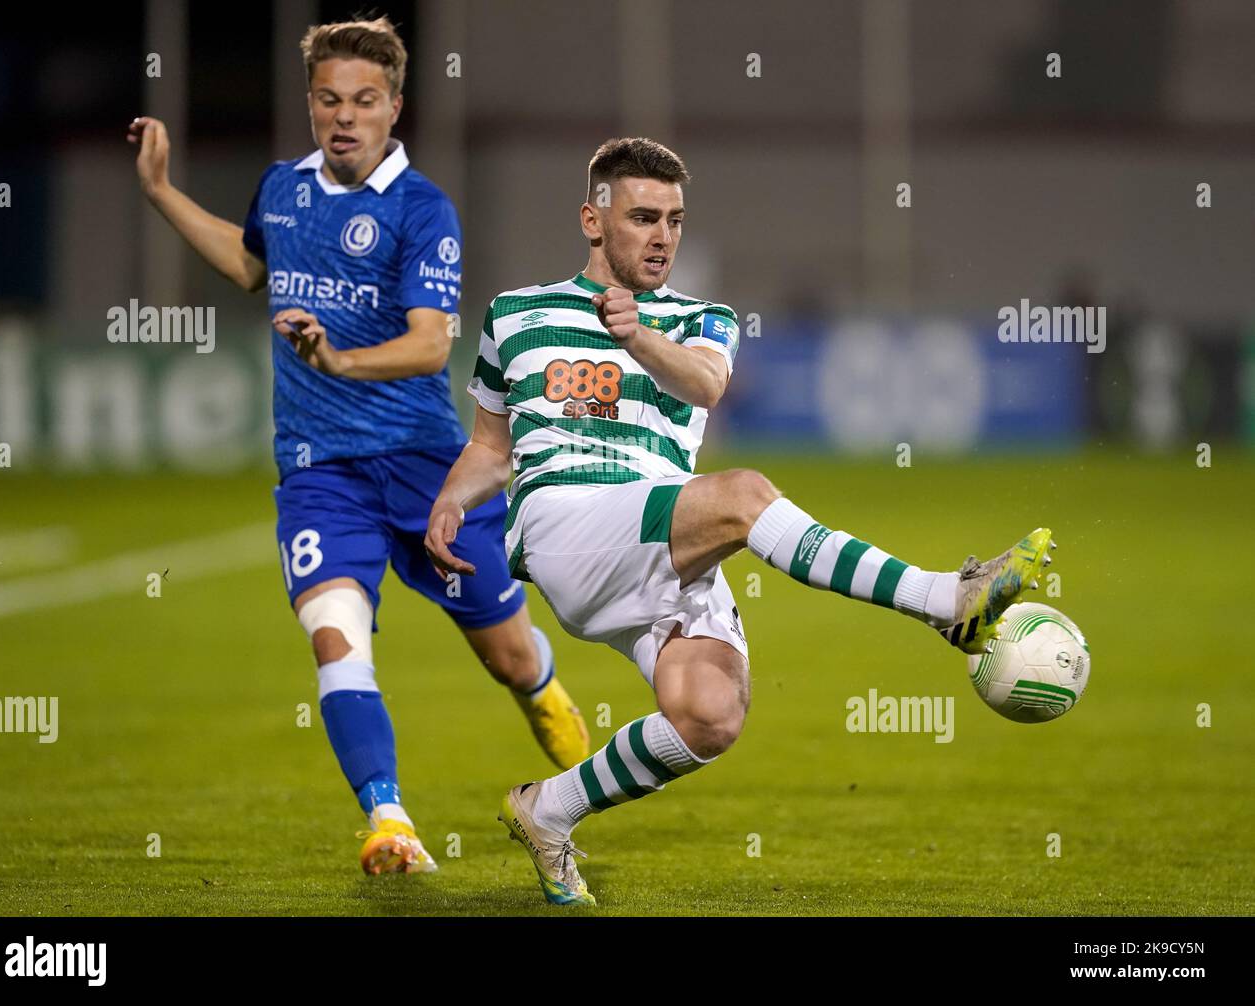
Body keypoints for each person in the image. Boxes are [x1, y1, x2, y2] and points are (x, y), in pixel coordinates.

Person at [425, 136, 1054, 905]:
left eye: (675, 220)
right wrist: (453, 499)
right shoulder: (515, 315)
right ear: (593, 221)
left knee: (709, 717)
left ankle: (547, 811)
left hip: (662, 538)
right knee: (745, 494)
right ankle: (944, 602)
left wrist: (640, 335)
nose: (662, 237)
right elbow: (493, 446)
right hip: (565, 526)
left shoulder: (702, 317)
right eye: (643, 217)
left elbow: (707, 383)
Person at [127, 15, 589, 876]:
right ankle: (389, 821)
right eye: (329, 99)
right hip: (318, 472)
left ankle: (545, 696)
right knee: (336, 637)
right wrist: (161, 192)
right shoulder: (281, 188)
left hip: (423, 464)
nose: (345, 116)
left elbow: (429, 344)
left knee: (510, 653)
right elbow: (247, 262)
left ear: (394, 107)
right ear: (311, 104)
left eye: (364, 101)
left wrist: (338, 356)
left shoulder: (422, 209)